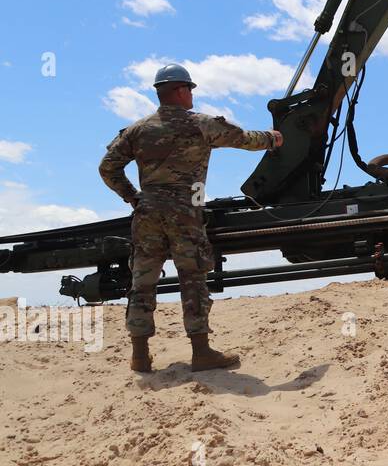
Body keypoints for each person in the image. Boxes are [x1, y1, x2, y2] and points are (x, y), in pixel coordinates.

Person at [98, 63, 283, 374]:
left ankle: (140, 356)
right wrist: (273, 138)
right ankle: (201, 352)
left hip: (148, 213)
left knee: (142, 281)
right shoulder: (201, 125)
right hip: (185, 211)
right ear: (181, 91)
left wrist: (133, 196)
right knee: (193, 277)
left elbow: (107, 168)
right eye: (191, 90)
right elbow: (245, 140)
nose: (192, 95)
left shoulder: (137, 130)